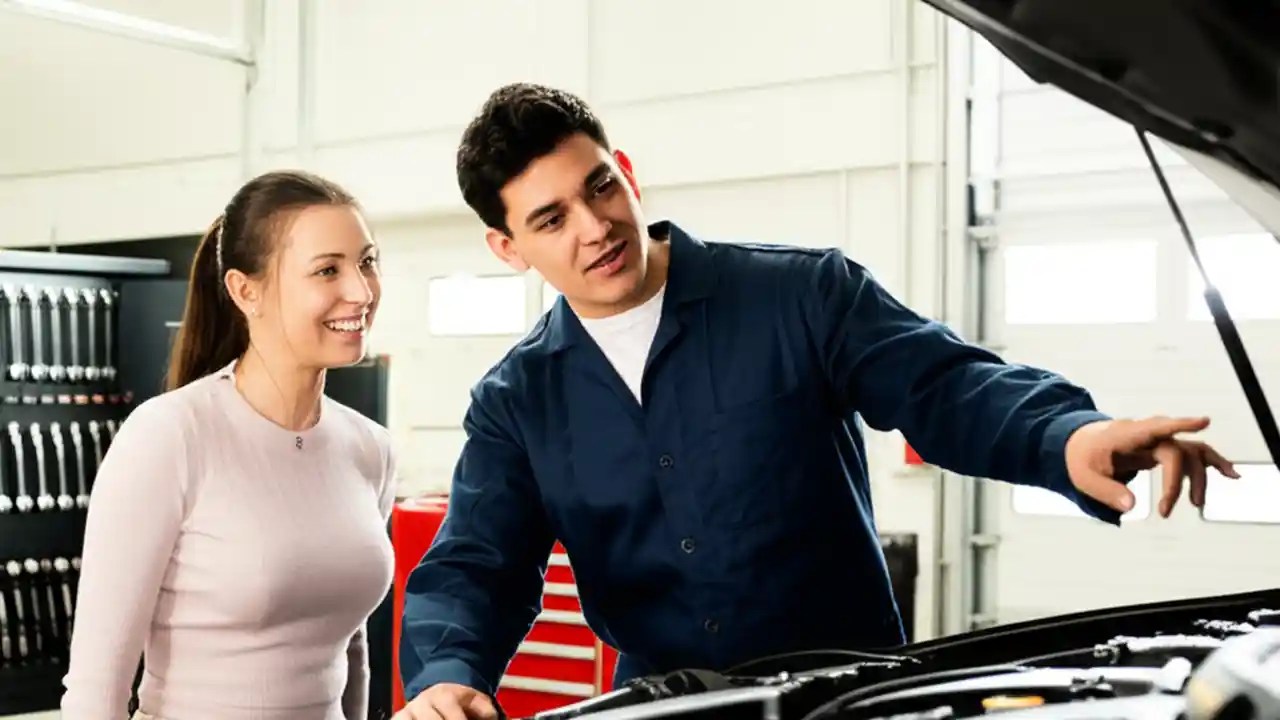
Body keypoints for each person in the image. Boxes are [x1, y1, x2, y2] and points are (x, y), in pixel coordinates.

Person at [395, 83, 1238, 720]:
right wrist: (445, 679)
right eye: (551, 219)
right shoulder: (517, 401)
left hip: (851, 698)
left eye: (601, 187)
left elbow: (947, 387)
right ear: (508, 248)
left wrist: (1065, 436)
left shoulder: (801, 295)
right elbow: (478, 562)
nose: (594, 226)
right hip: (670, 708)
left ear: (627, 173)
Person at [60, 170, 398, 720]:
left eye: (367, 261)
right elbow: (96, 692)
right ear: (246, 290)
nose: (361, 291)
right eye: (327, 270)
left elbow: (351, 652)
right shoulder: (169, 435)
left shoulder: (370, 448)